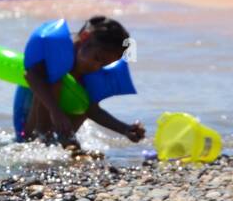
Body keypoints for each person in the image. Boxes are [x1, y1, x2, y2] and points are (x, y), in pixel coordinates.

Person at [16, 16, 144, 147]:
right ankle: (43, 140)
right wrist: (56, 112)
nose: (97, 67)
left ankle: (67, 144)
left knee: (83, 101)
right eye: (97, 58)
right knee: (55, 81)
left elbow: (92, 110)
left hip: (56, 121)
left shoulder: (89, 73)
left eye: (105, 65)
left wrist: (125, 129)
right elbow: (30, 76)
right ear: (84, 37)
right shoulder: (57, 55)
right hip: (28, 125)